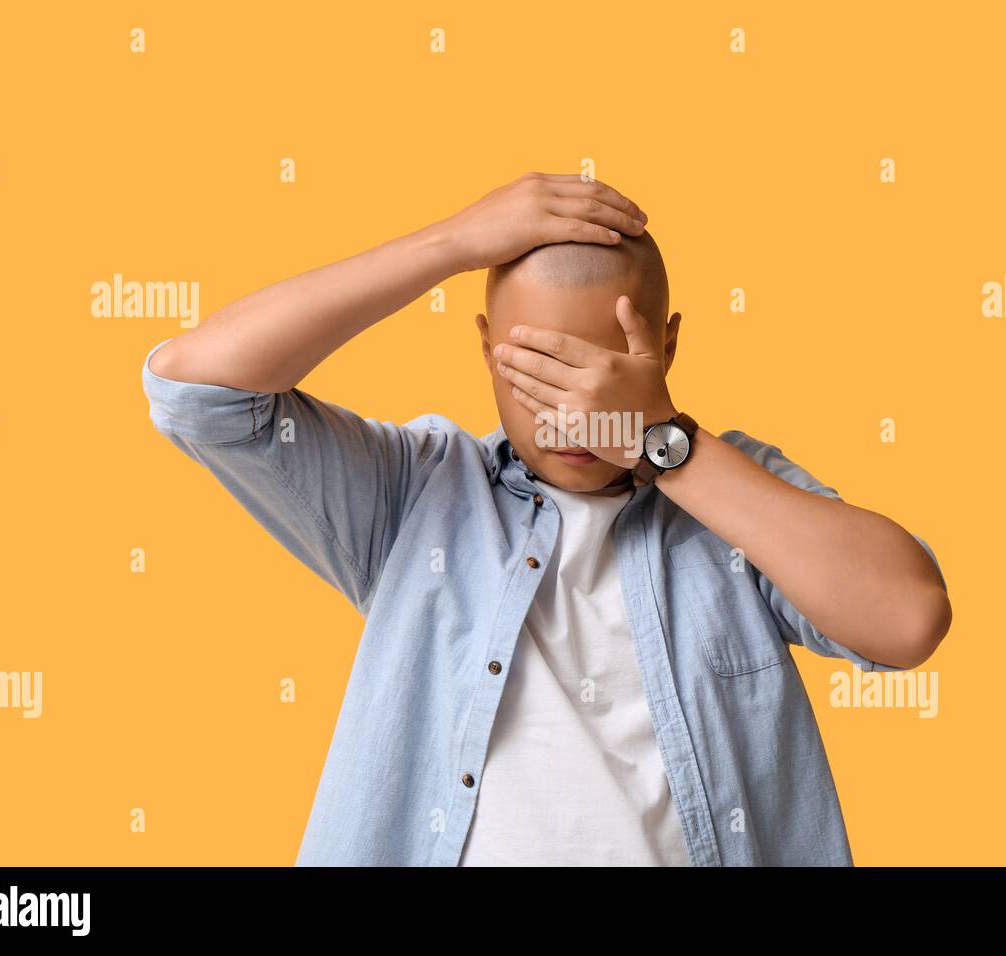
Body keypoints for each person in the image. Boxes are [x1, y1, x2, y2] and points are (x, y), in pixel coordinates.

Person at [141, 171, 952, 866]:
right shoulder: (414, 492)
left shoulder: (734, 495)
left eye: (604, 371)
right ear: (488, 349)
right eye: (538, 371)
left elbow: (908, 618)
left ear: (666, 350)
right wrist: (451, 243)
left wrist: (665, 443)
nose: (573, 414)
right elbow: (197, 389)